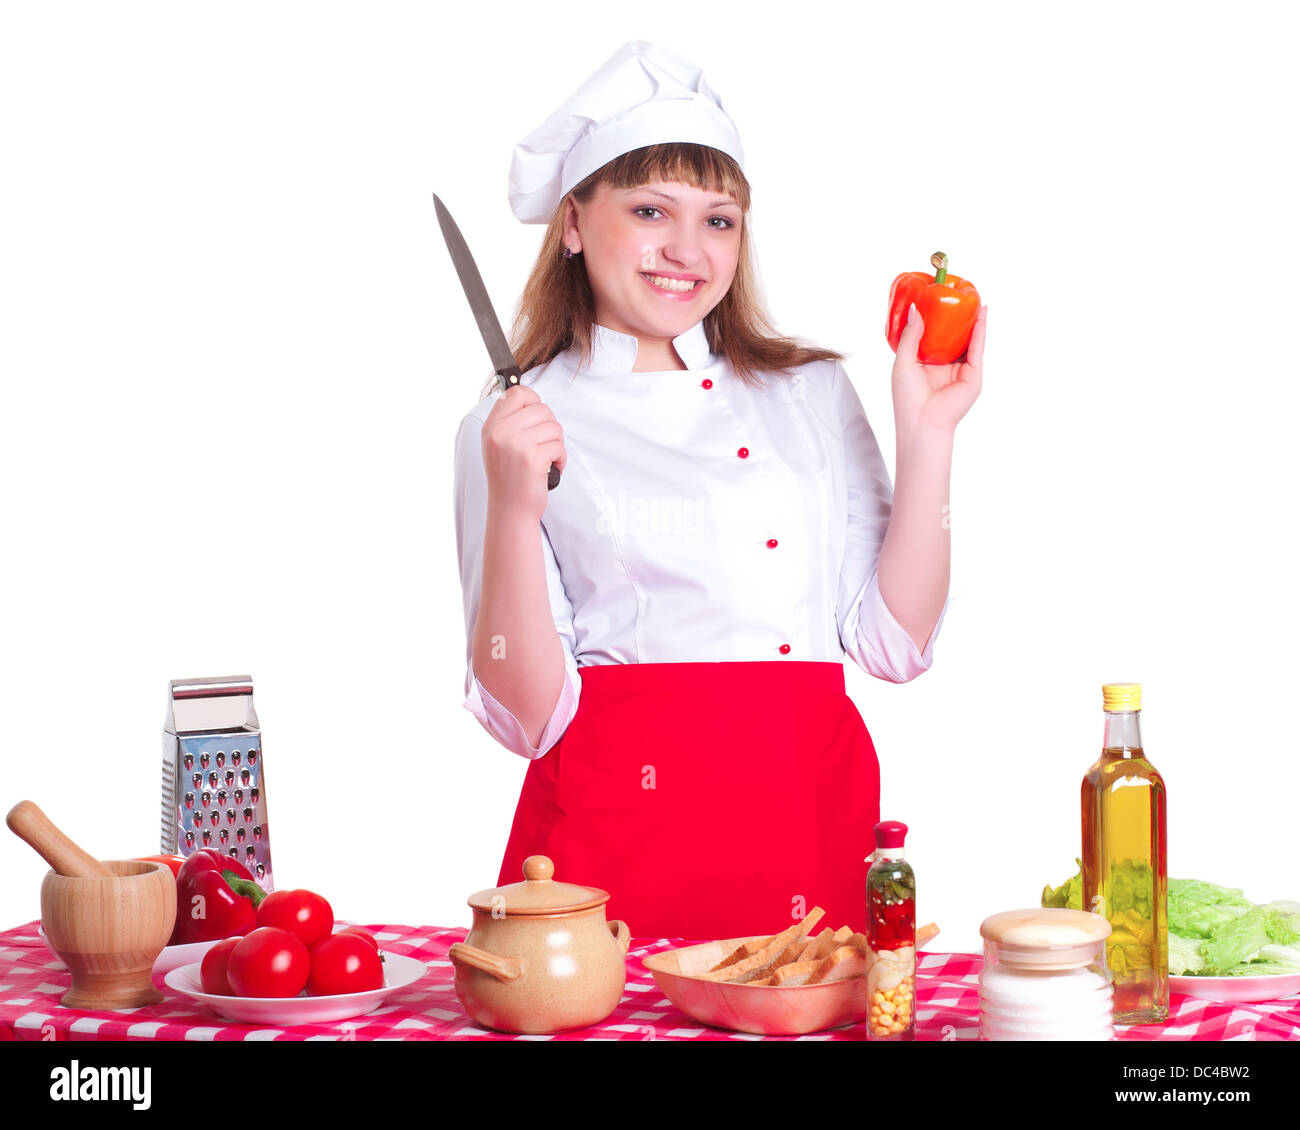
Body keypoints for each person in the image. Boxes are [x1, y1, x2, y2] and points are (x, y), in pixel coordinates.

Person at [454, 41, 985, 939]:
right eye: (651, 209)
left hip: (806, 821)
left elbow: (895, 645)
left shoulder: (808, 392)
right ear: (574, 223)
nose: (686, 252)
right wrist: (512, 506)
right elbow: (527, 718)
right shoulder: (513, 422)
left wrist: (928, 435)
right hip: (612, 850)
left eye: (719, 220)